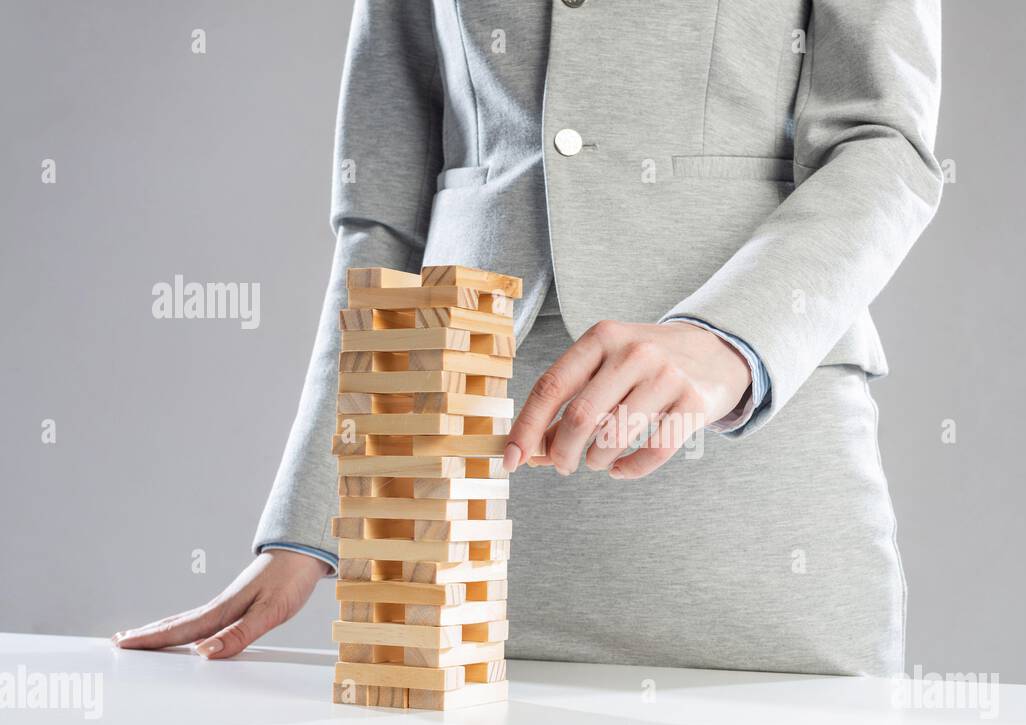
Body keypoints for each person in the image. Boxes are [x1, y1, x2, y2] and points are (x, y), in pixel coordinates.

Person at [114, 0, 943, 676]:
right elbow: (385, 214)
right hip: (455, 493)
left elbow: (887, 144)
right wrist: (316, 513)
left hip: (753, 489)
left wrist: (724, 338)